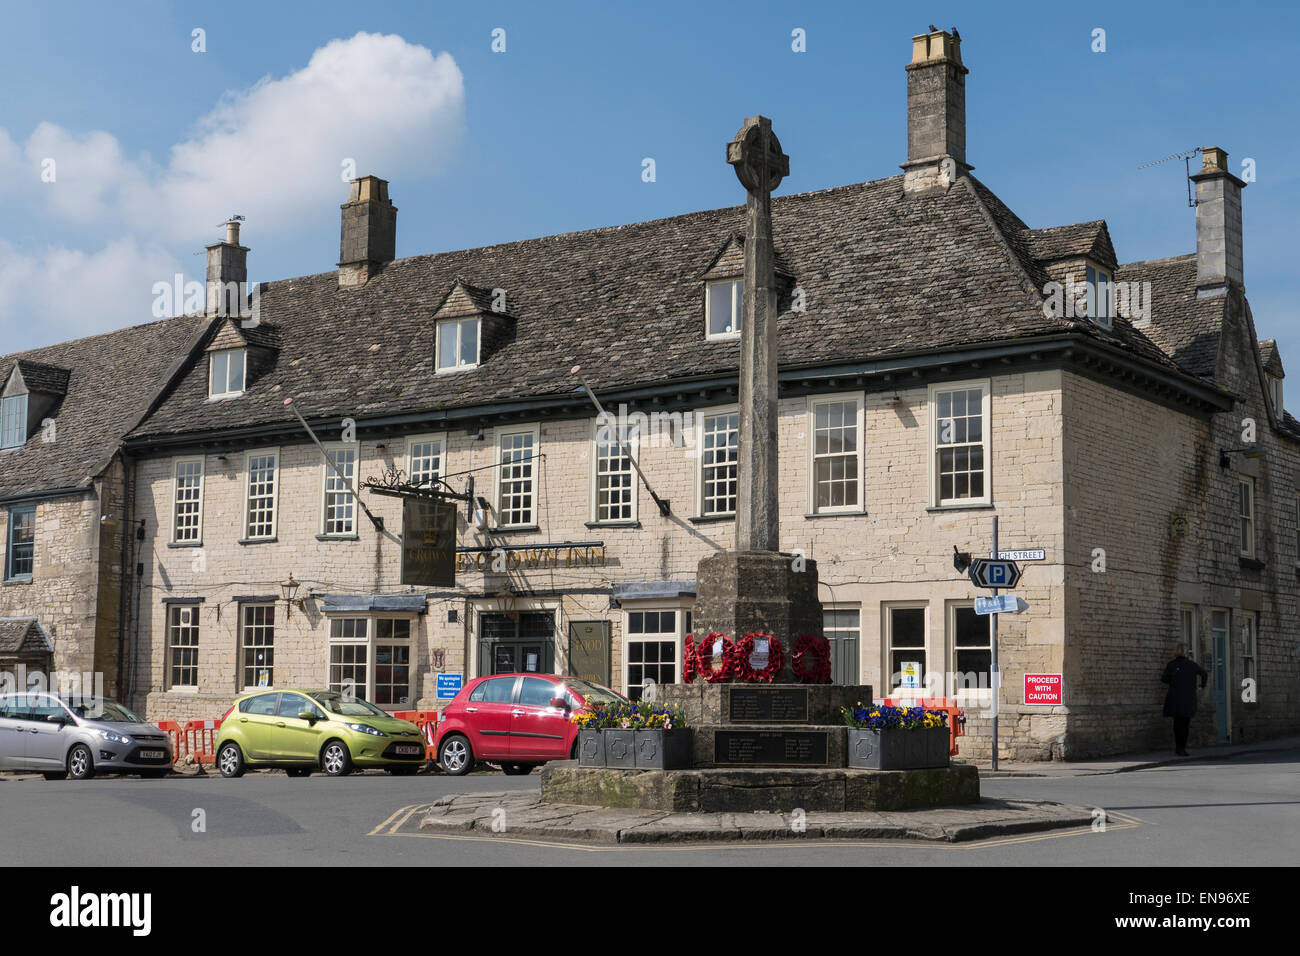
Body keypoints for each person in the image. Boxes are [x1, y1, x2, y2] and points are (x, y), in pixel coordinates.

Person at [1161, 645, 1208, 756]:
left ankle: (1178, 747)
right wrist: (1201, 686)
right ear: (1187, 653)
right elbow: (1204, 674)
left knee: (1177, 723)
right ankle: (1182, 748)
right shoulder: (1192, 665)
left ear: (1176, 652)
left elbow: (1164, 679)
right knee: (1185, 724)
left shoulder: (1171, 665)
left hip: (1175, 697)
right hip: (1188, 697)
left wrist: (1174, 681)